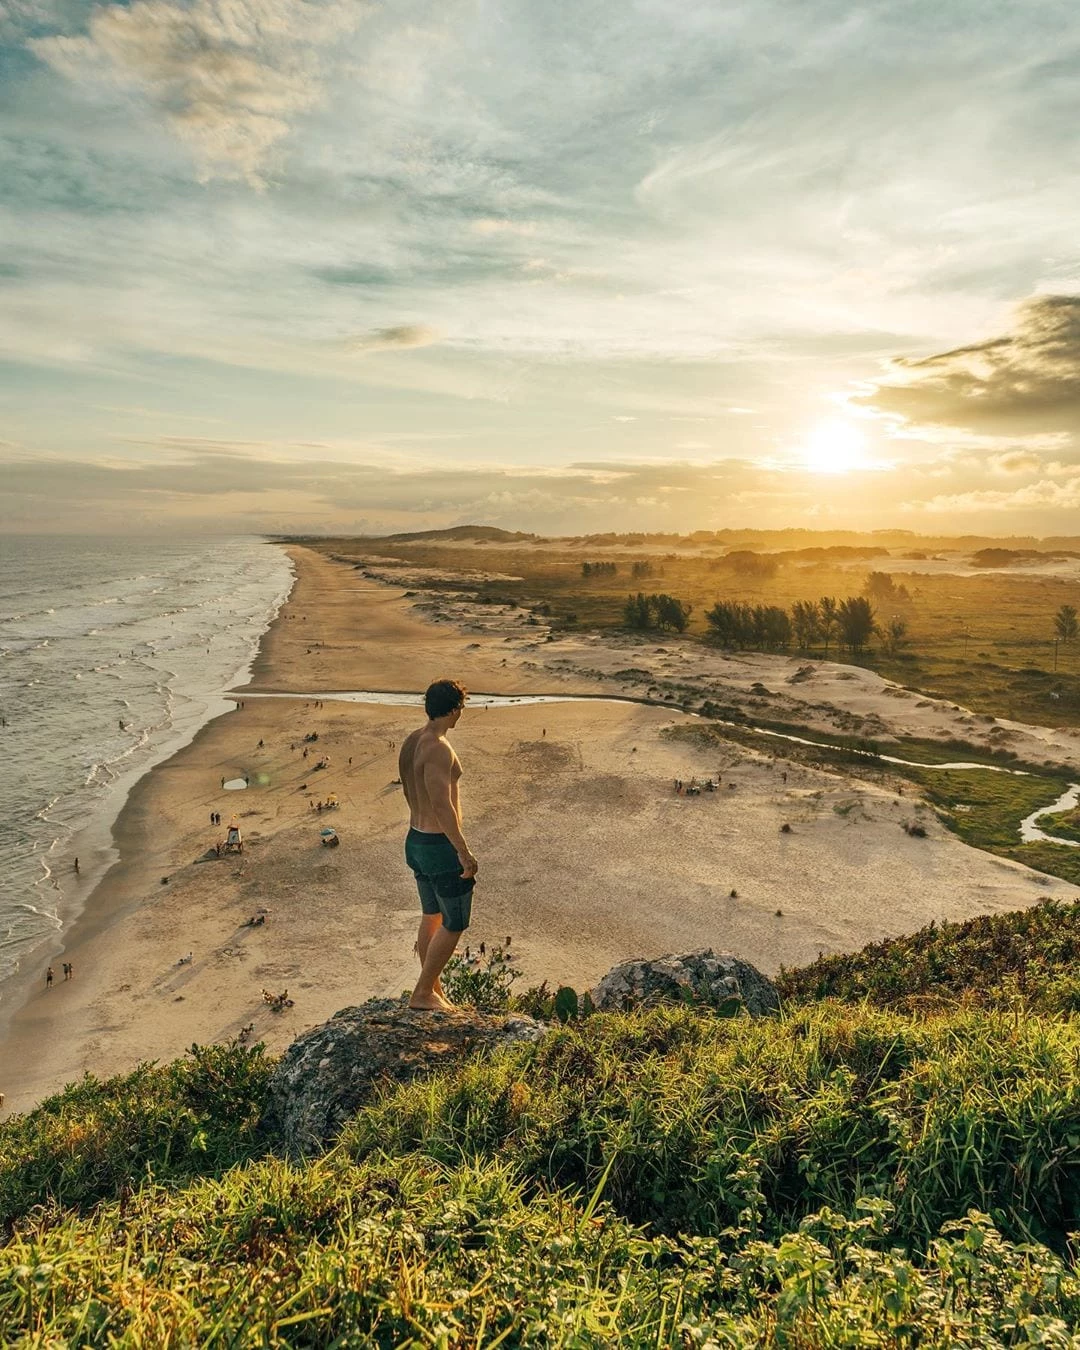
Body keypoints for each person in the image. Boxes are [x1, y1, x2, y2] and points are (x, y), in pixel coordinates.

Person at [399, 679, 476, 1011]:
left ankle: (433, 989)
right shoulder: (438, 747)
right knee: (455, 920)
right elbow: (442, 804)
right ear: (455, 708)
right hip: (437, 845)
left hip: (415, 839)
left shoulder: (411, 741)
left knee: (430, 914)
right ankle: (422, 992)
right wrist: (463, 850)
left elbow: (408, 791)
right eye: (462, 707)